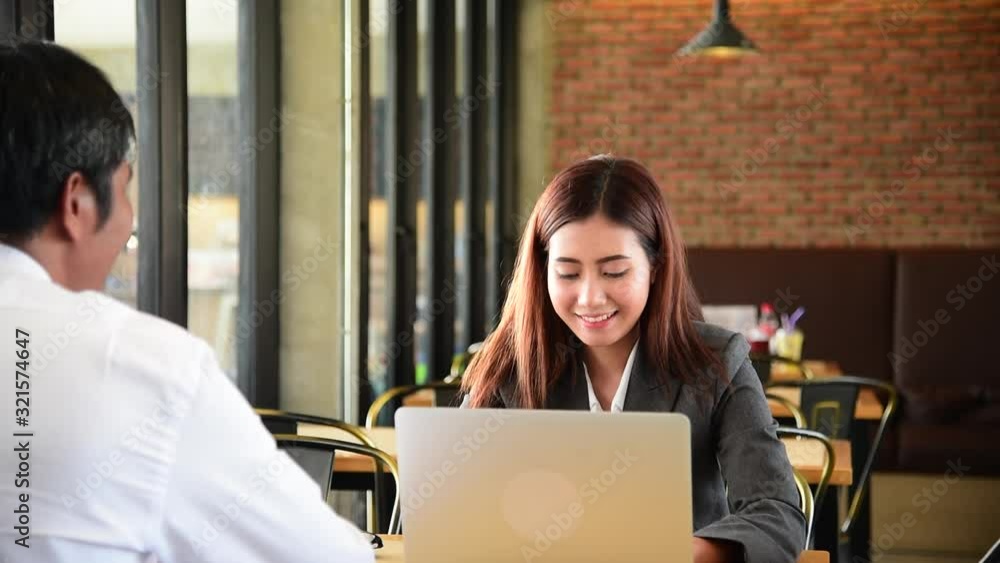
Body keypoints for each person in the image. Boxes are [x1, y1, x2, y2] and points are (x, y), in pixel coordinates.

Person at [0, 41, 373, 562]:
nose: (129, 222)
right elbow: (328, 557)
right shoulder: (146, 371)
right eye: (125, 189)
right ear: (78, 202)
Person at [460, 155, 806, 562]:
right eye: (568, 274)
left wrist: (681, 552)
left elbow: (776, 514)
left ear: (655, 267)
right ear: (542, 271)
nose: (590, 298)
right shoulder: (511, 366)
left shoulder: (714, 362)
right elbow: (454, 501)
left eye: (614, 272)